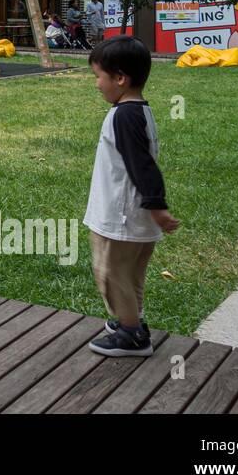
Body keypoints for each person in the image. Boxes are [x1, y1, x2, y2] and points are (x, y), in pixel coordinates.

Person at [84, 36, 180, 357]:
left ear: (120, 79)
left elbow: (141, 166)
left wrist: (157, 206)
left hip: (121, 217)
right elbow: (145, 163)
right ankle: (132, 321)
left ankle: (130, 335)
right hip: (135, 218)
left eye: (99, 76)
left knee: (112, 274)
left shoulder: (123, 116)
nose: (97, 85)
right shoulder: (139, 111)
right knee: (131, 275)